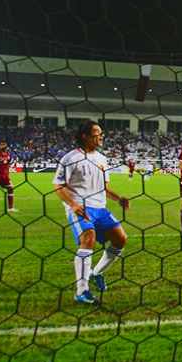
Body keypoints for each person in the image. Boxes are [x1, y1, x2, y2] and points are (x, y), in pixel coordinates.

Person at [54, 120, 130, 305]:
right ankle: (82, 291)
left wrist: (118, 198)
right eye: (97, 133)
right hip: (80, 206)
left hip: (100, 208)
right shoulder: (70, 158)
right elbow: (58, 185)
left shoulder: (102, 159)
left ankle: (96, 273)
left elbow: (104, 188)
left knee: (121, 239)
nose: (101, 136)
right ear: (85, 136)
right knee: (88, 238)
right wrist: (72, 205)